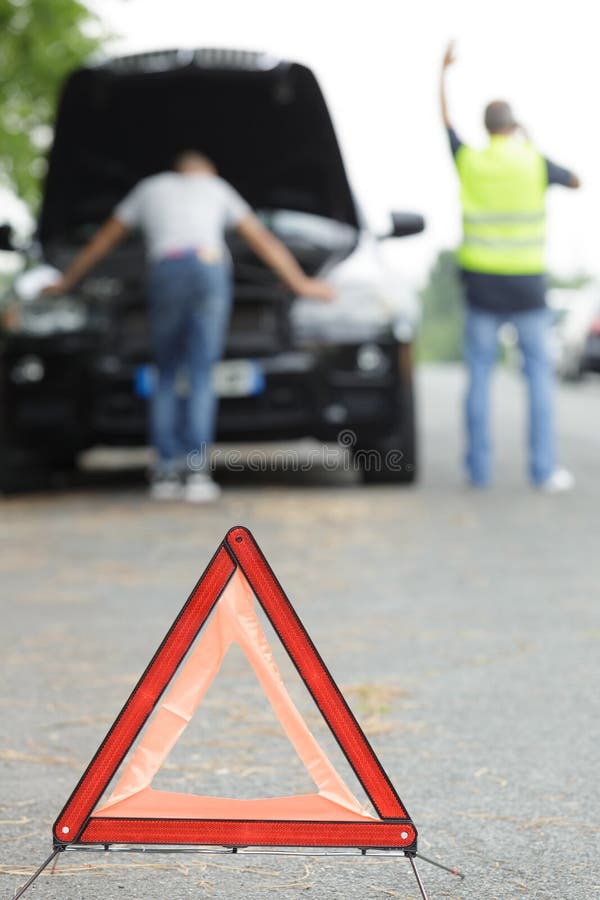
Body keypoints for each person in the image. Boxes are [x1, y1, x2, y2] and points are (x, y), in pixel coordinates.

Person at [44, 151, 334, 502]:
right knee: (200, 373)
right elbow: (262, 240)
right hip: (208, 268)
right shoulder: (215, 187)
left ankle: (166, 472)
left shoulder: (149, 189)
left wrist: (67, 281)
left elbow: (104, 240)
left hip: (167, 269)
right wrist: (301, 283)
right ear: (204, 170)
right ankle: (196, 474)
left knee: (166, 372)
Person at [440, 42, 580, 492]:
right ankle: (543, 471)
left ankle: (477, 471)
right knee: (538, 377)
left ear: (485, 127)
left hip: (482, 287)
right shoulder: (533, 162)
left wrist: (442, 74)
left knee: (479, 377)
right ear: (513, 125)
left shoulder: (471, 161)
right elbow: (576, 180)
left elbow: (444, 121)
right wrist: (530, 140)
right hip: (526, 287)